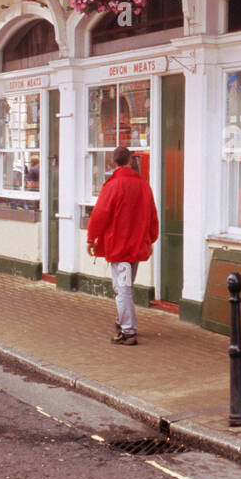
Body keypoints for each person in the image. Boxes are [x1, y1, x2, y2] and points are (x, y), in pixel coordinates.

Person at [86, 146, 159, 345]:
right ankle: (123, 320)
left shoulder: (112, 186)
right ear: (130, 161)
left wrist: (91, 239)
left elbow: (100, 215)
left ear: (113, 164)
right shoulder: (144, 186)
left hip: (120, 248)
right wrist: (150, 238)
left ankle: (127, 331)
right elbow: (153, 217)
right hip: (136, 246)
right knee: (126, 286)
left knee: (122, 289)